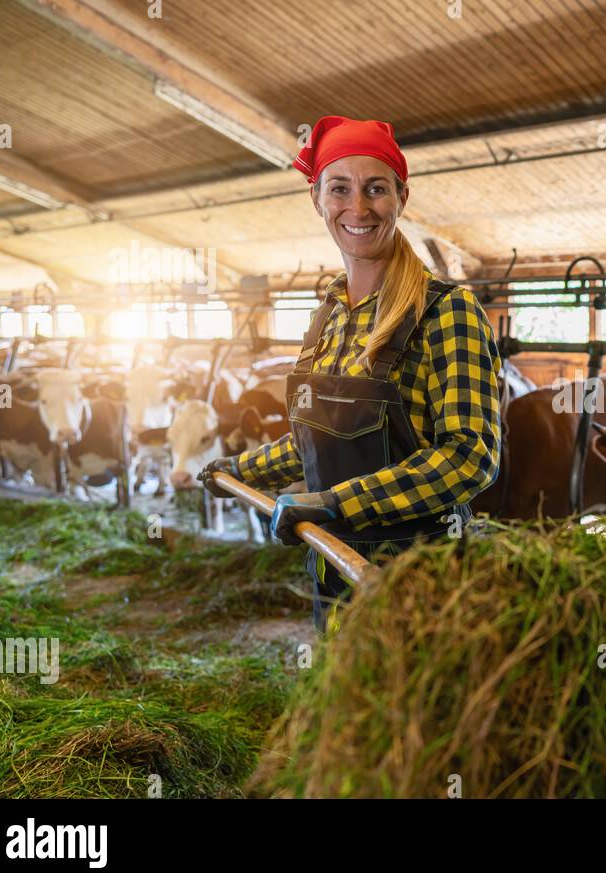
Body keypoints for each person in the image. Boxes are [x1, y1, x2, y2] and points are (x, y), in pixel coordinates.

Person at [198, 115, 502, 630]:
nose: (357, 208)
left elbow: (469, 458)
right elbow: (318, 440)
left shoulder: (446, 312)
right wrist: (237, 471)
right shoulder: (328, 314)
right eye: (340, 189)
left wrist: (335, 503)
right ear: (317, 199)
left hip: (421, 576)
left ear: (401, 198)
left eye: (375, 189)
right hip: (333, 565)